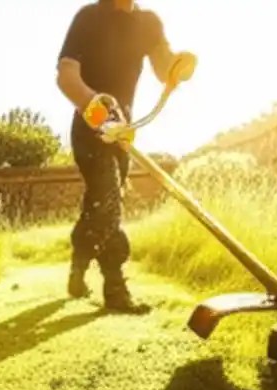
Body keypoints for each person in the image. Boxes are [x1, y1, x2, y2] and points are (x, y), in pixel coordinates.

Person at [56, 0, 195, 312]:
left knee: (99, 201)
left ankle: (78, 264)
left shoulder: (148, 22)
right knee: (108, 201)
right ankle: (115, 289)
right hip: (90, 123)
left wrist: (177, 66)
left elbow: (164, 66)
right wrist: (95, 106)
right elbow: (66, 75)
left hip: (125, 132)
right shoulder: (88, 17)